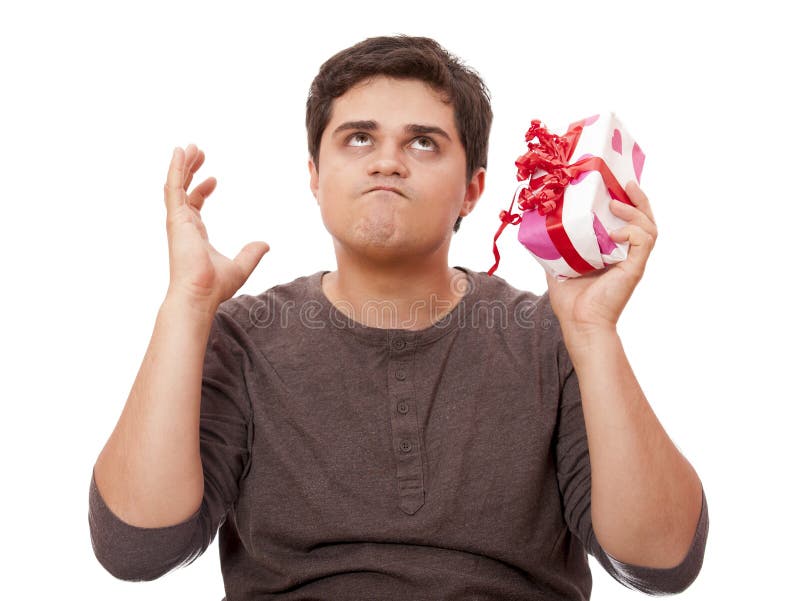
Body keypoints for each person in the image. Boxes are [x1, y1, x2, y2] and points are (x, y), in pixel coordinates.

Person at [88, 35, 709, 600]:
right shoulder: (243, 338)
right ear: (315, 175)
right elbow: (137, 549)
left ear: (472, 189)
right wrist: (187, 306)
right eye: (359, 138)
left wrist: (593, 334)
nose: (388, 162)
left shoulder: (551, 336)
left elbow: (661, 564)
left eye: (423, 142)